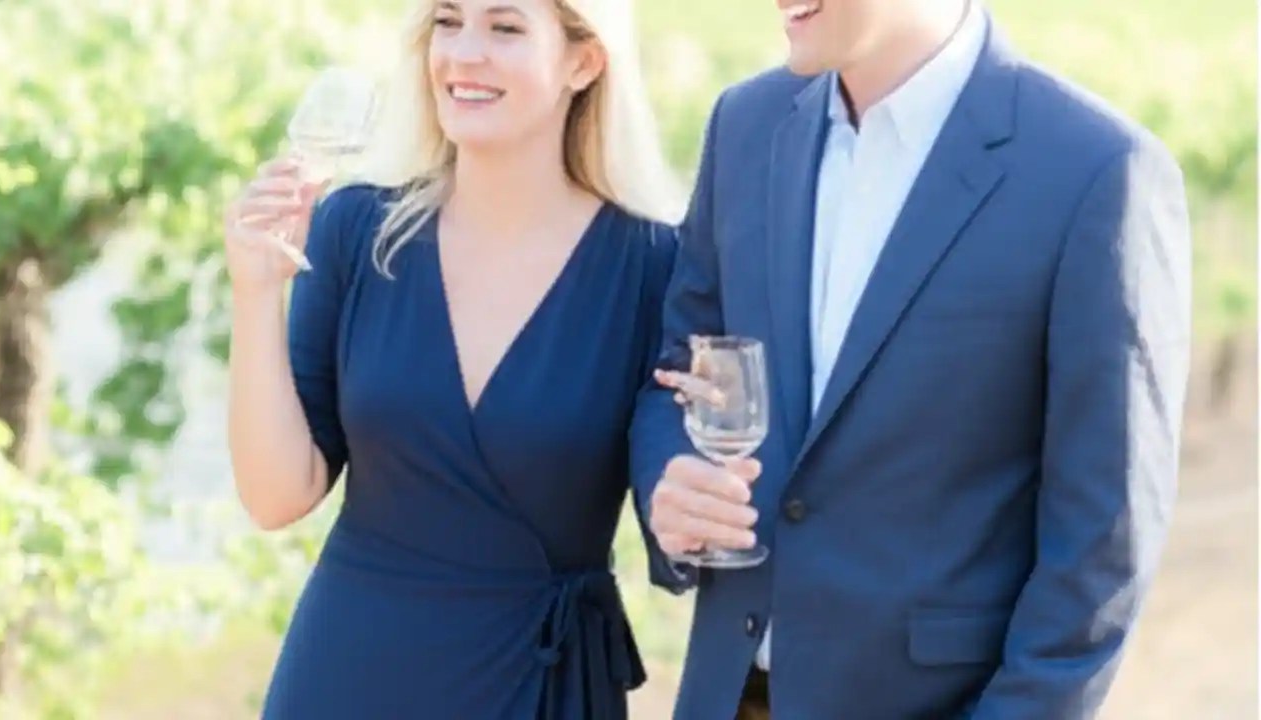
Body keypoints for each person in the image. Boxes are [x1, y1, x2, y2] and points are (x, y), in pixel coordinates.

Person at [631, 0, 1193, 717]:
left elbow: (1101, 553)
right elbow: (676, 368)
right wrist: (668, 482)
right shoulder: (745, 124)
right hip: (727, 695)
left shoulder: (1099, 172)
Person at [223, 0, 683, 717]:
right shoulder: (355, 231)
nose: (464, 53)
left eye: (504, 27)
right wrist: (254, 294)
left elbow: (680, 483)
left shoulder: (656, 269)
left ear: (583, 62)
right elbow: (276, 495)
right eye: (447, 20)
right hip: (349, 674)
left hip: (540, 684)